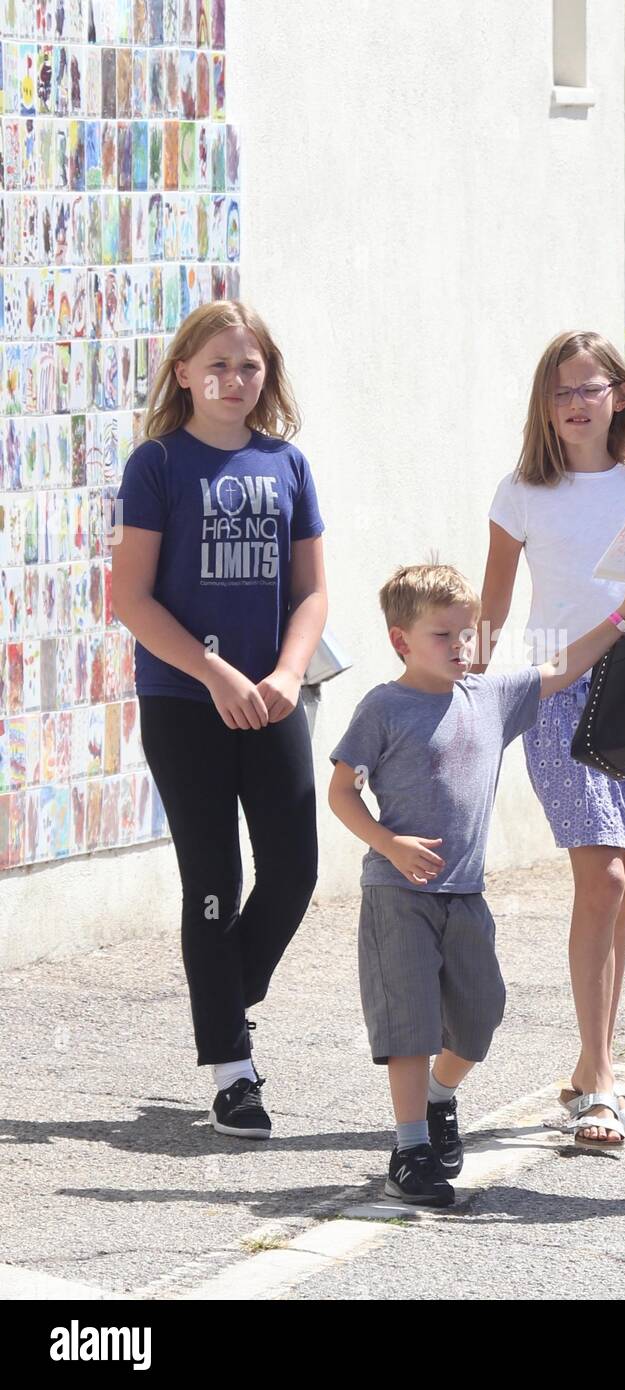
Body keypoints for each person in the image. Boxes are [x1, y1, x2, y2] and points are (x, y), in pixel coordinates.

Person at [327, 557, 625, 1205]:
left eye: (469, 635)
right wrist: (387, 842)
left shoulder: (490, 699)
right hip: (396, 895)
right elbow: (341, 791)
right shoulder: (383, 707)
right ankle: (410, 1151)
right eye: (444, 636)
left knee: (480, 1018)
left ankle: (439, 1098)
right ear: (401, 640)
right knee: (409, 1025)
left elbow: (562, 668)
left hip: (465, 897)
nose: (462, 647)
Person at [112, 300, 327, 1141]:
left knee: (294, 871)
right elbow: (129, 597)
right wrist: (213, 673)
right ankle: (234, 1072)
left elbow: (311, 593)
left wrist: (284, 673)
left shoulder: (288, 464)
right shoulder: (157, 464)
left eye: (250, 366)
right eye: (219, 365)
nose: (235, 380)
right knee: (213, 883)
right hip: (184, 703)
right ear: (183, 373)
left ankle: (221, 993)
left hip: (273, 699)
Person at [475, 331, 625, 1153]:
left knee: (624, 881)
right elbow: (488, 612)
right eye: (560, 392)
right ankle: (596, 1082)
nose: (574, 404)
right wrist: (462, 701)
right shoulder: (523, 491)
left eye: (589, 389)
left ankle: (599, 1066)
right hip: (559, 695)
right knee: (601, 878)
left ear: (620, 394)